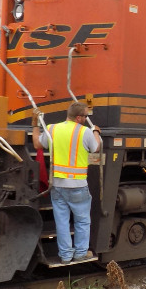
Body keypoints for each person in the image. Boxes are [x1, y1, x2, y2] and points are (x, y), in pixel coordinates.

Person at [35, 102, 102, 263]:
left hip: (57, 186)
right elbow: (96, 148)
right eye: (85, 116)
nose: (86, 118)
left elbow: (37, 144)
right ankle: (80, 254)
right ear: (78, 118)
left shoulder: (52, 129)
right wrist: (96, 132)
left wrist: (35, 125)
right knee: (82, 221)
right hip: (78, 186)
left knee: (62, 222)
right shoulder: (85, 131)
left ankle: (65, 256)